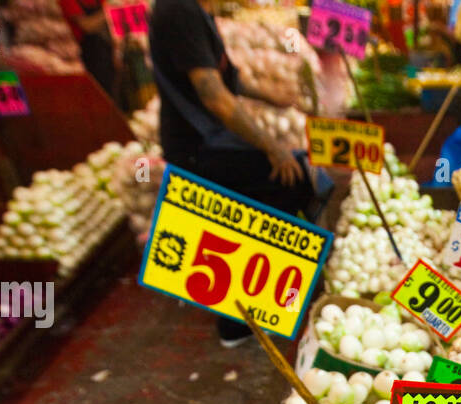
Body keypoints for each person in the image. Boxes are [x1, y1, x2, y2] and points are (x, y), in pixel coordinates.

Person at [148, 0, 316, 347]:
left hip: (203, 138)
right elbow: (213, 95)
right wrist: (272, 146)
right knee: (288, 177)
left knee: (283, 179)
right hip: (196, 145)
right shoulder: (180, 11)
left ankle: (258, 304)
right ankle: (239, 321)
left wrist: (271, 96)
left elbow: (224, 77)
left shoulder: (195, 11)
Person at [58, 0, 119, 101]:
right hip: (82, 55)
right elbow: (87, 26)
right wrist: (109, 10)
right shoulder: (68, 1)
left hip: (106, 52)